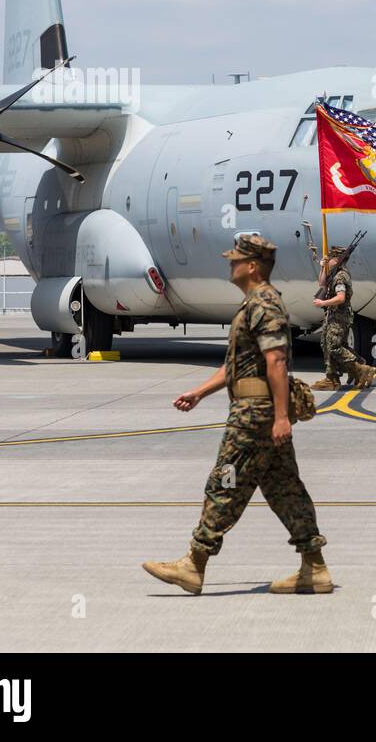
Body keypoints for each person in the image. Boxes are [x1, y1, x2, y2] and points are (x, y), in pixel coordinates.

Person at [142, 233, 331, 596]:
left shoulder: (264, 304)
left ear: (252, 266)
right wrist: (200, 391)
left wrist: (280, 417)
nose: (230, 264)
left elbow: (276, 361)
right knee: (284, 488)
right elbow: (239, 366)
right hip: (258, 411)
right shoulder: (254, 304)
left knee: (224, 483)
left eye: (236, 260)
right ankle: (314, 567)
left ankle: (193, 564)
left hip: (253, 416)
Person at [311, 244, 376, 391]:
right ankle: (332, 377)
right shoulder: (334, 273)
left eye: (330, 257)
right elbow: (322, 284)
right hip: (332, 315)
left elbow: (340, 298)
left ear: (337, 259)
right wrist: (322, 267)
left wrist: (323, 302)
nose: (328, 259)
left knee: (334, 346)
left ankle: (361, 368)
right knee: (326, 344)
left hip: (340, 316)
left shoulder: (341, 276)